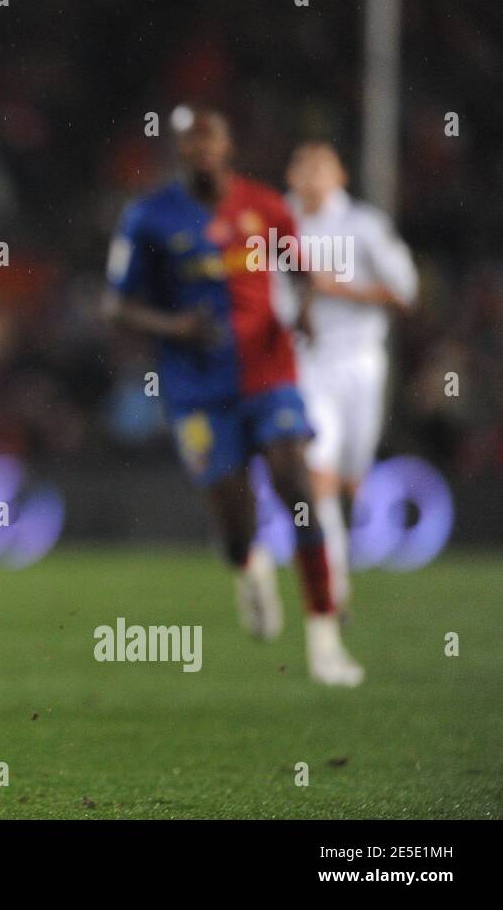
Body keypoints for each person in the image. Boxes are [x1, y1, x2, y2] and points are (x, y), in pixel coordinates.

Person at [102, 107, 363, 687]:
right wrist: (176, 329)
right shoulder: (148, 217)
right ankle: (248, 566)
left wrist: (309, 316)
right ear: (177, 150)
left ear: (226, 144)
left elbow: (300, 271)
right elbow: (116, 303)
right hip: (197, 392)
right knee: (236, 520)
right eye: (189, 141)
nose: (200, 150)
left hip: (269, 376)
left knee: (296, 481)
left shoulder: (265, 205)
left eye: (209, 139)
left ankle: (324, 637)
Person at [286, 141, 417, 608]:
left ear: (340, 174)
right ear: (290, 174)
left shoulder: (364, 226)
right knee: (317, 471)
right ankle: (334, 585)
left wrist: (336, 288)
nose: (311, 175)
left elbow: (405, 292)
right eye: (302, 165)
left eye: (321, 166)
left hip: (361, 363)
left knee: (351, 474)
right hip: (308, 362)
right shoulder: (279, 225)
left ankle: (350, 525)